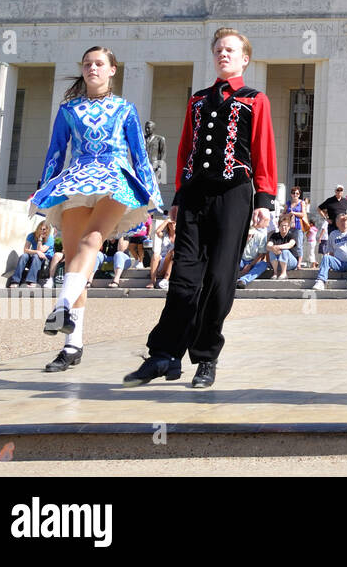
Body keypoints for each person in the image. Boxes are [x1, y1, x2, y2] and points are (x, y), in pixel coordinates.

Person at [123, 29, 276, 389]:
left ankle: (206, 357)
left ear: (244, 59)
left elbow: (264, 148)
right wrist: (177, 196)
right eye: (219, 50)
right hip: (194, 196)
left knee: (220, 281)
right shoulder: (197, 100)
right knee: (184, 278)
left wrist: (264, 200)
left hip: (234, 194)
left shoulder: (256, 100)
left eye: (231, 50)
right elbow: (184, 152)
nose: (224, 54)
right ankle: (165, 355)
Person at [31, 46, 163, 374]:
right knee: (76, 258)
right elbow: (55, 151)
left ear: (112, 70)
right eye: (88, 64)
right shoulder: (68, 110)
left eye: (99, 64)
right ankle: (72, 345)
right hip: (77, 180)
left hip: (115, 179)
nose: (93, 68)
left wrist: (153, 194)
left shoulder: (125, 109)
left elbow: (139, 154)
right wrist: (44, 190)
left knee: (92, 242)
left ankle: (61, 307)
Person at [10, 221, 53, 288]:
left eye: (44, 229)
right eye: (40, 228)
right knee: (24, 256)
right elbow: (25, 250)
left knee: (36, 256)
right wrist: (37, 252)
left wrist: (40, 240)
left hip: (45, 260)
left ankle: (31, 281)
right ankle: (15, 281)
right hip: (34, 257)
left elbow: (41, 250)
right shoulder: (31, 235)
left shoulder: (50, 238)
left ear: (47, 230)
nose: (42, 231)